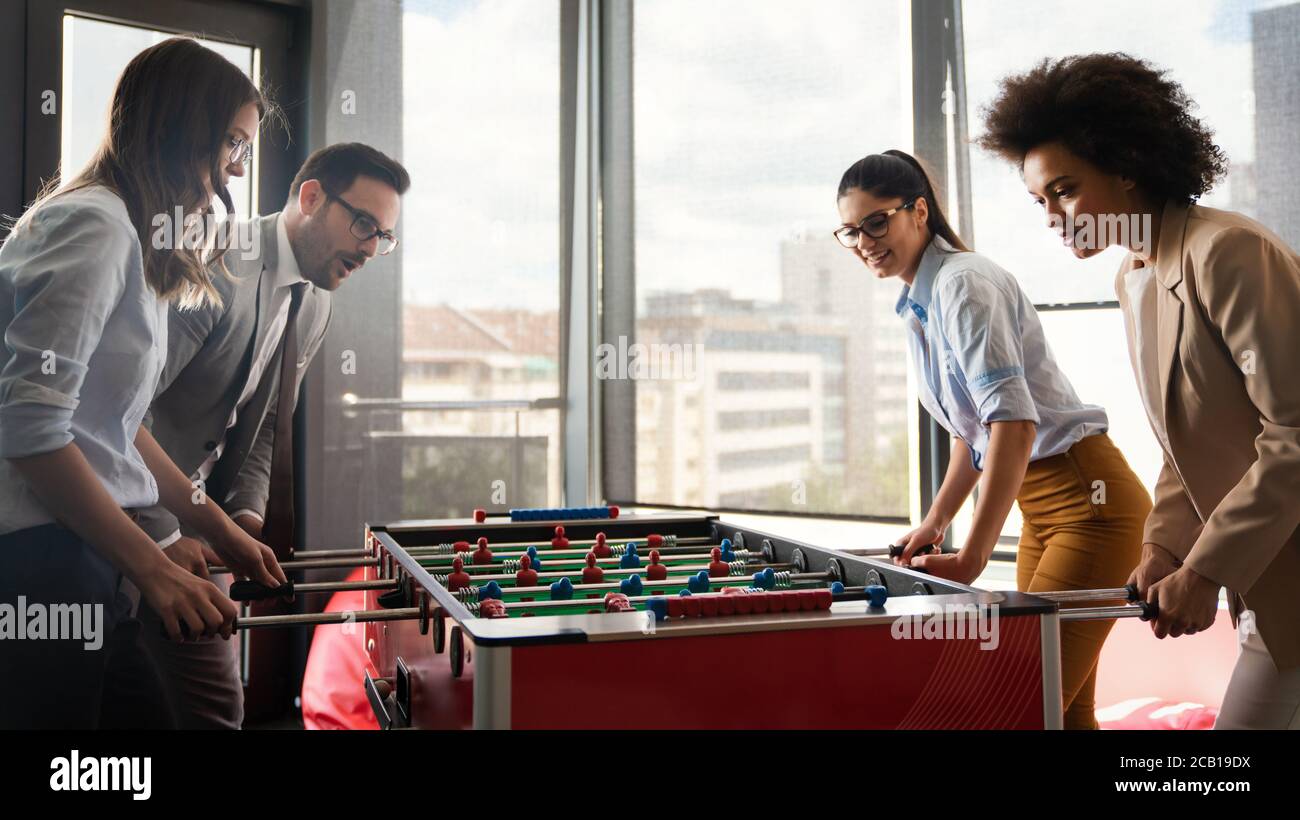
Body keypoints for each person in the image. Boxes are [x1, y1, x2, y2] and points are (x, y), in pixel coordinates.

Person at [978, 52, 1300, 729]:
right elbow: (1191, 448)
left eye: (1065, 189)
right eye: (1040, 200)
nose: (1052, 217)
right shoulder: (1136, 276)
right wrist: (1163, 548)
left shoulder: (1230, 254)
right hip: (1267, 581)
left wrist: (1204, 571)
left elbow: (1294, 436)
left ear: (1126, 163)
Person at [0, 38, 286, 729]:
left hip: (83, 546)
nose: (237, 170)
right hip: (40, 556)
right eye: (233, 145)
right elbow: (30, 430)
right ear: (183, 128)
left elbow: (119, 427)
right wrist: (154, 567)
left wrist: (213, 526)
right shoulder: (94, 226)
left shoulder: (132, 232)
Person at [835, 149, 1151, 729]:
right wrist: (936, 524)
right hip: (1045, 511)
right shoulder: (919, 304)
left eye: (876, 222)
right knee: (1059, 706)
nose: (864, 241)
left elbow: (1014, 423)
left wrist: (976, 553)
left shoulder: (963, 284)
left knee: (1019, 704)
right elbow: (974, 432)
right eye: (851, 231)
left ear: (919, 210)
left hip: (1090, 505)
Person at [136, 142, 410, 728]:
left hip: (195, 525)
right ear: (310, 197)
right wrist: (161, 534)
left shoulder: (315, 305)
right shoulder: (219, 258)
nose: (370, 248)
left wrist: (243, 527)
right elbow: (125, 411)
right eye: (363, 223)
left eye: (383, 237)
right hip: (122, 516)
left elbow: (262, 433)